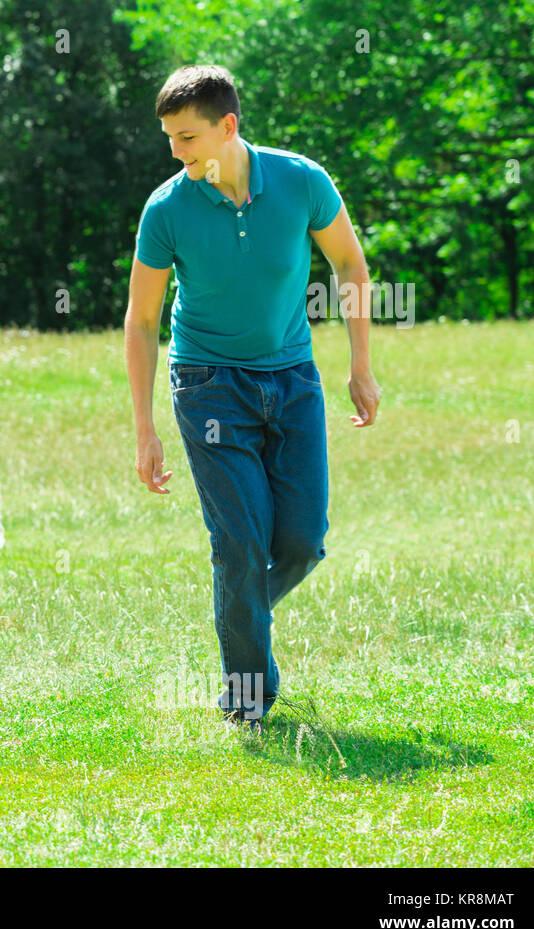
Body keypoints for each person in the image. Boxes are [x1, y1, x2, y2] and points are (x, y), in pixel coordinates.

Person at [123, 66, 382, 731]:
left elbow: (349, 263)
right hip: (209, 388)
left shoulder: (302, 182)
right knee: (238, 544)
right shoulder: (167, 209)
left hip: (292, 381)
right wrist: (145, 429)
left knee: (301, 541)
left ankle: (239, 613)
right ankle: (246, 694)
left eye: (186, 138)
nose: (175, 153)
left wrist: (360, 361)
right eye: (169, 139)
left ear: (228, 126)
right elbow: (143, 319)